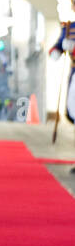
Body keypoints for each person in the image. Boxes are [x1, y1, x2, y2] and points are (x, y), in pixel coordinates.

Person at [49, 21, 75, 172]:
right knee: (72, 114)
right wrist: (56, 51)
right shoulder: (69, 27)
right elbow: (59, 44)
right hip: (74, 75)